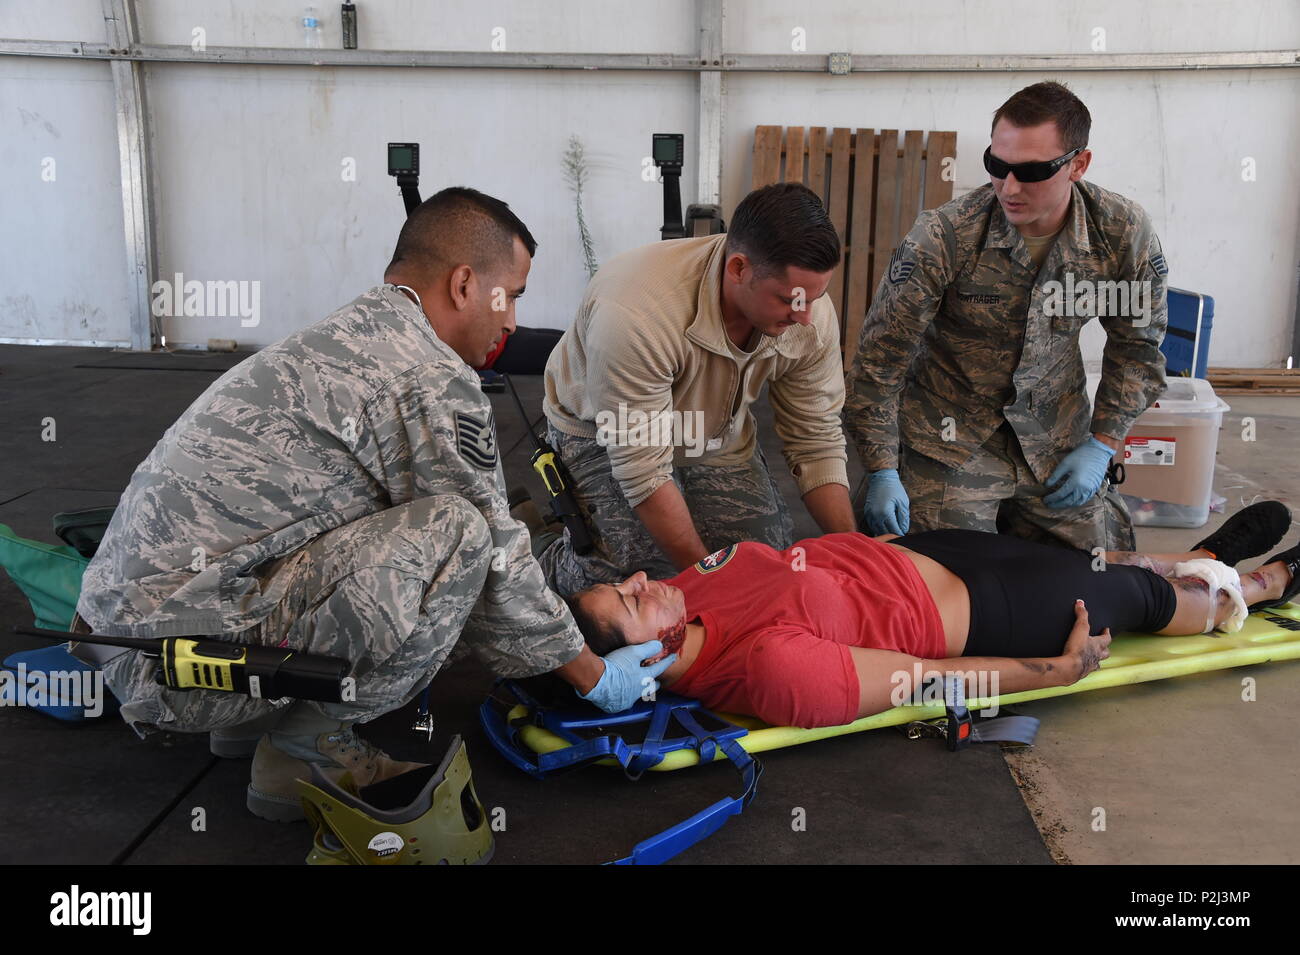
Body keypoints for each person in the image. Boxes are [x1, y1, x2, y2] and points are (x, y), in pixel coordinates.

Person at [72, 187, 674, 822]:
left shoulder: (358, 334)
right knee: (460, 535)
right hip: (178, 665)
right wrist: (591, 676)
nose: (513, 323)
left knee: (425, 517)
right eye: (512, 295)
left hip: (130, 635)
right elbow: (496, 556)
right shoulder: (429, 376)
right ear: (465, 283)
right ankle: (305, 750)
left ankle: (252, 724)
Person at [563, 502, 1297, 729]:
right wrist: (1056, 672)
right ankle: (1265, 583)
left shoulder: (686, 591)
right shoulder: (771, 672)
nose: (638, 579)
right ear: (647, 660)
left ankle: (1203, 555)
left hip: (927, 550)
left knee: (1100, 563)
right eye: (629, 601)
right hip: (990, 614)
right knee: (1148, 602)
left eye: (622, 582)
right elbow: (929, 681)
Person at [846, 80, 1168, 553]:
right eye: (997, 166)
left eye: (1031, 171)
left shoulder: (1120, 232)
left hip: (1055, 438)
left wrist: (1102, 444)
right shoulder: (944, 236)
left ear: (1078, 164)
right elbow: (879, 363)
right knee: (947, 581)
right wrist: (881, 469)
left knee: (1102, 573)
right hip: (951, 440)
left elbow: (1138, 347)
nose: (1009, 187)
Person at [538, 182, 856, 597]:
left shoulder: (808, 309)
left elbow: (815, 441)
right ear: (738, 268)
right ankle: (548, 552)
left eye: (815, 298)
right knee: (638, 584)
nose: (805, 317)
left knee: (766, 564)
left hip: (712, 433)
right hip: (602, 433)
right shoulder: (635, 313)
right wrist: (713, 584)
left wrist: (858, 552)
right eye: (788, 300)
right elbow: (644, 471)